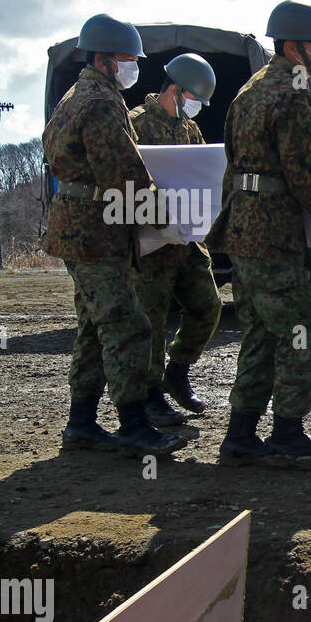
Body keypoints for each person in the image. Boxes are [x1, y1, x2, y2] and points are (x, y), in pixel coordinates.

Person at [204, 0, 311, 469]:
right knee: (306, 330)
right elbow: (307, 168)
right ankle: (287, 433)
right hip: (272, 233)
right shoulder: (292, 92)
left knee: (263, 335)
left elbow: (231, 167)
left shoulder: (248, 92)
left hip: (246, 229)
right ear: (292, 47)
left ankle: (241, 435)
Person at [42, 13, 188, 457]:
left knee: (94, 324)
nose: (133, 66)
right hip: (94, 229)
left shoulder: (77, 95)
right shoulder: (102, 103)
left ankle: (81, 423)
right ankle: (133, 426)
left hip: (80, 225)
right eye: (127, 59)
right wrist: (167, 218)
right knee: (127, 323)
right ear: (104, 59)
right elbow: (124, 174)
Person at [128, 52, 222, 426]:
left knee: (208, 306)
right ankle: (150, 396)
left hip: (187, 239)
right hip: (152, 243)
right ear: (177, 91)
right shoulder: (134, 125)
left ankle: (177, 372)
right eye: (194, 99)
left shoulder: (189, 129)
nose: (196, 108)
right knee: (150, 322)